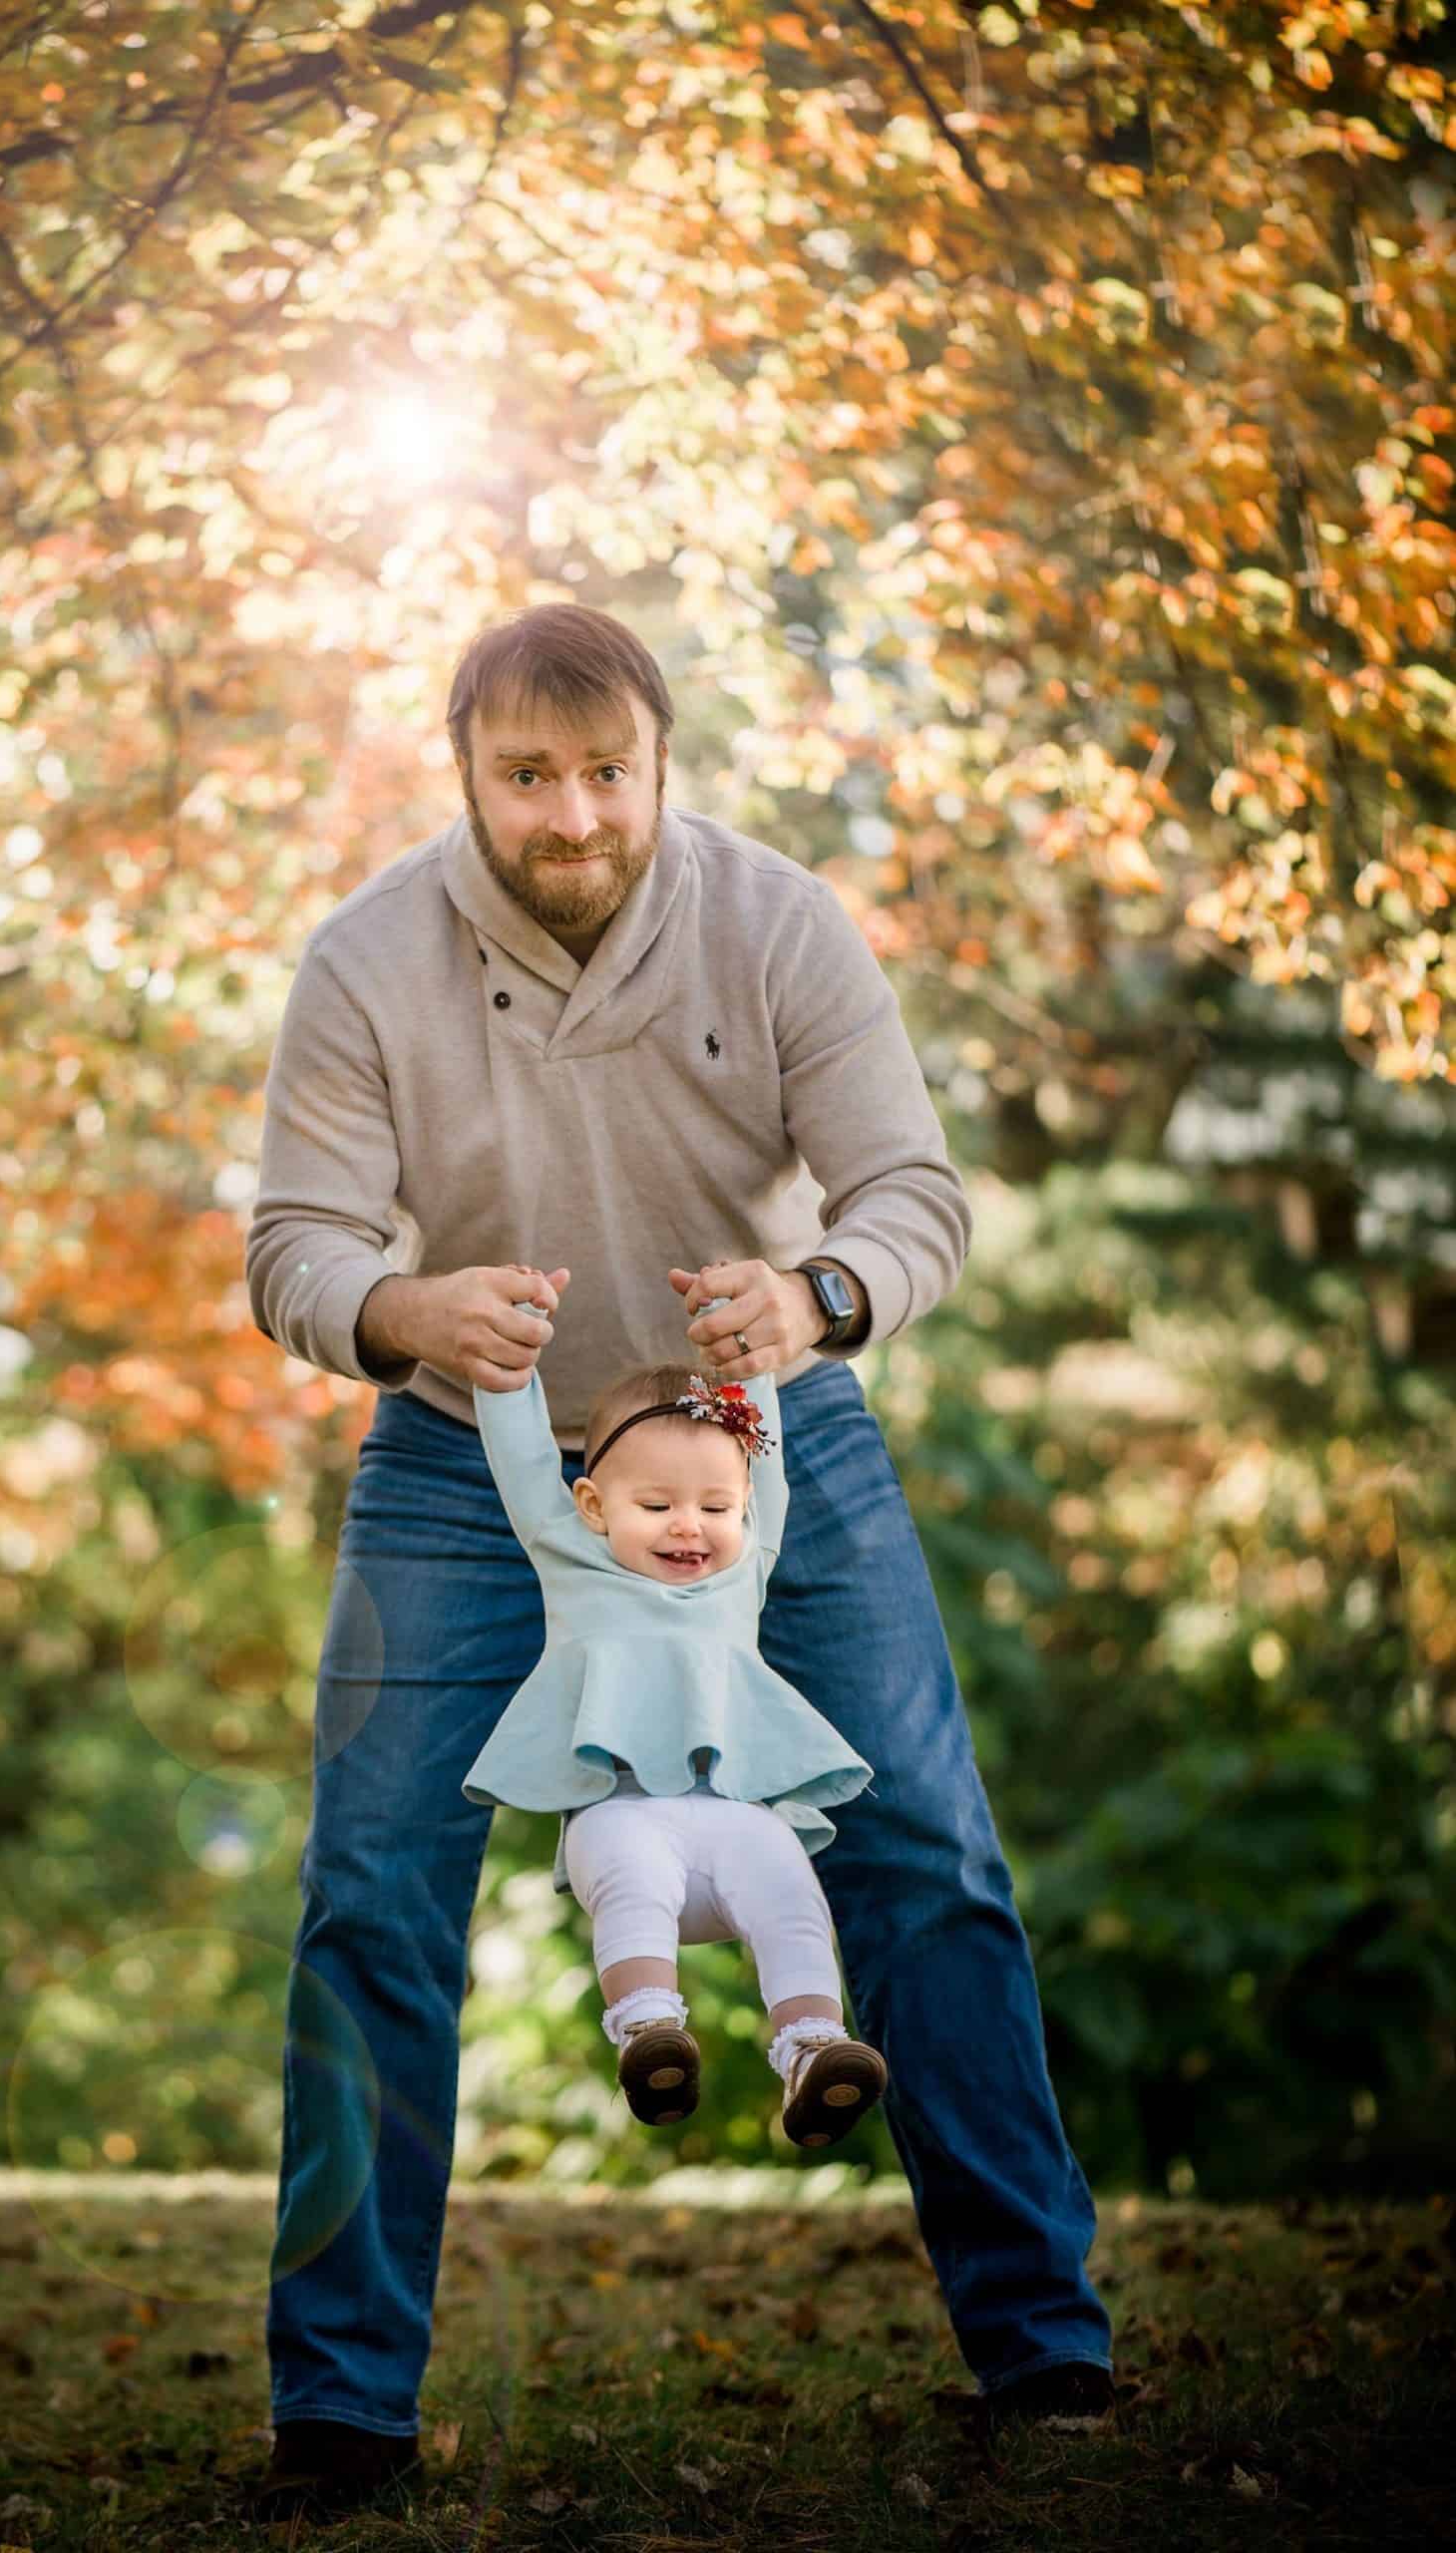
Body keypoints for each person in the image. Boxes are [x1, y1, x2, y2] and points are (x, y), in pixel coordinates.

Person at [244, 602, 1114, 2518]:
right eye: (526, 774)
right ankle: (339, 2405)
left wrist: (816, 1294)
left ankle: (1040, 2348)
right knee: (371, 1893)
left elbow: (912, 1196)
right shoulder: (367, 958)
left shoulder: (776, 925)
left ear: (660, 764)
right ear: (463, 768)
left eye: (605, 772)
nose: (572, 814)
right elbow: (293, 1241)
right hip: (467, 1465)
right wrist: (399, 1309)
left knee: (919, 1852)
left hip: (763, 1449)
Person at [463, 1275, 890, 2146]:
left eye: (713, 1506)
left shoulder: (747, 1562)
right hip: (621, 1813)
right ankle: (652, 2032)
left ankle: (813, 2048)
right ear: (592, 1508)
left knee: (790, 1885)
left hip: (737, 1817)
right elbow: (520, 1456)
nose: (688, 1527)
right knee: (632, 1878)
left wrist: (744, 1359)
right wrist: (511, 1351)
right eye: (655, 1506)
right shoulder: (570, 1555)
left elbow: (760, 1459)